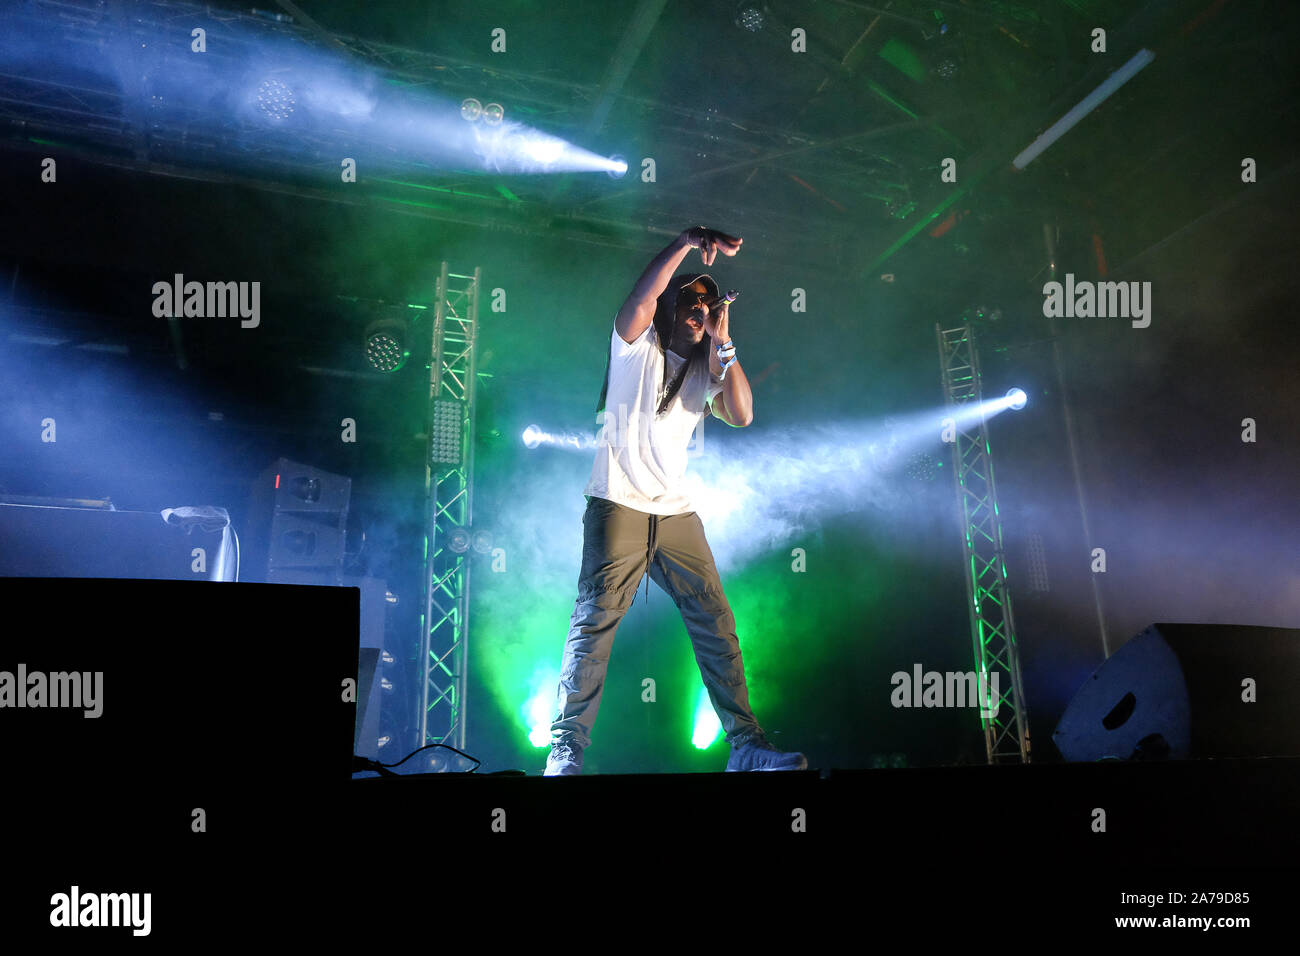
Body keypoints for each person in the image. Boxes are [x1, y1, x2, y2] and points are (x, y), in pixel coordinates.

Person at [543, 225, 808, 775]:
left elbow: (742, 413)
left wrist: (724, 341)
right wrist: (687, 240)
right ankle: (566, 751)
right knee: (595, 623)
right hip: (617, 501)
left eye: (709, 305)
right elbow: (643, 295)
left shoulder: (706, 367)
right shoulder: (634, 344)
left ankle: (745, 746)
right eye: (692, 302)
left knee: (716, 620)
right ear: (670, 306)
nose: (701, 311)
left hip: (674, 510)